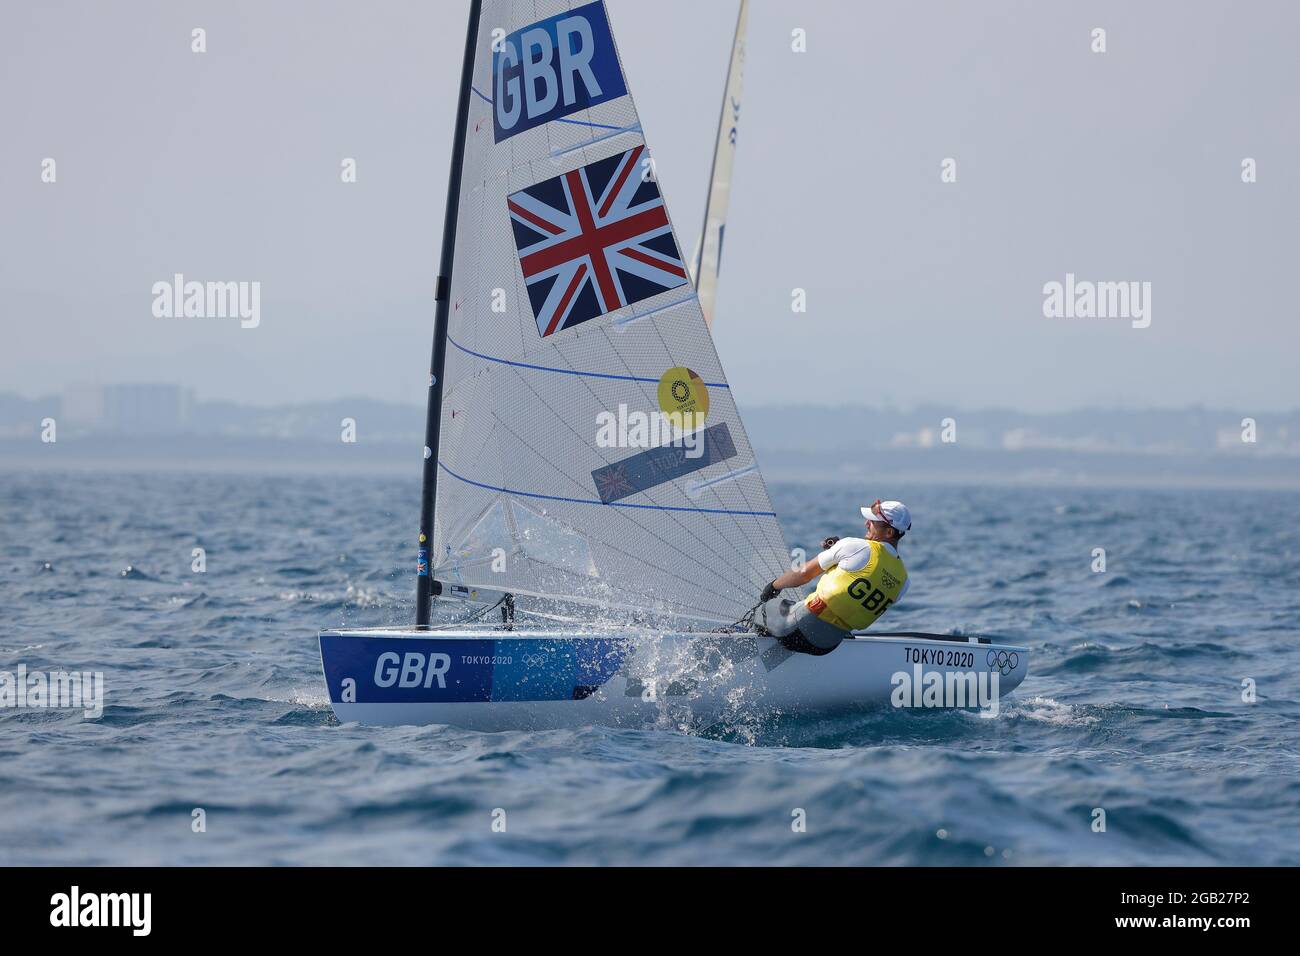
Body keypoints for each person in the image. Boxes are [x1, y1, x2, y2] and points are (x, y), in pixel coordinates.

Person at [754, 499, 912, 655]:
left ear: (889, 532)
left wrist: (773, 586)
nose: (866, 523)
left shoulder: (857, 546)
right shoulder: (904, 581)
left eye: (873, 521)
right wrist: (838, 551)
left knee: (765, 609)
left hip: (795, 630)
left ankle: (748, 643)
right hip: (826, 647)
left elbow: (803, 574)